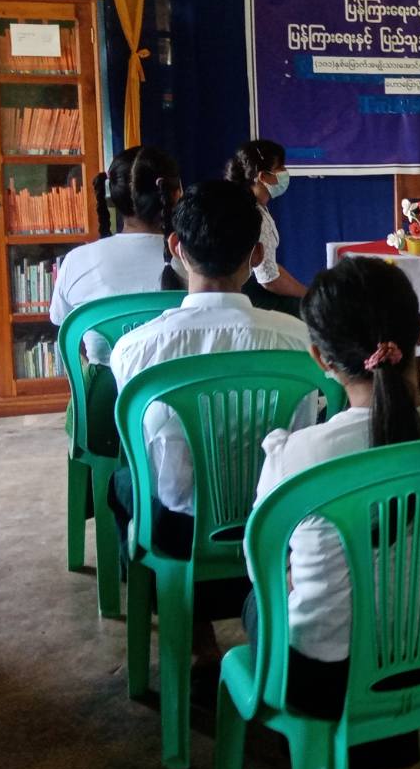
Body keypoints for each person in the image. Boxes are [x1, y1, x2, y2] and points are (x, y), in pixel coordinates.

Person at [246, 255, 420, 720]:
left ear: (320, 358)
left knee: (256, 604)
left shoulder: (295, 458)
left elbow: (264, 567)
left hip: (324, 678)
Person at [109, 180, 316, 666]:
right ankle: (267, 614)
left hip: (182, 530)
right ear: (257, 252)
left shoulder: (135, 349)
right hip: (281, 525)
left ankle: (194, 634)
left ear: (176, 248)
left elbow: (143, 452)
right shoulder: (299, 339)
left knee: (123, 485)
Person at [49, 144, 183, 362]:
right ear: (176, 195)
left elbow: (68, 333)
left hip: (106, 395)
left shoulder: (76, 261)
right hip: (173, 392)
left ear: (112, 194)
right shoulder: (195, 262)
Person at [226, 139, 305, 315]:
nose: (286, 173)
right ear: (263, 177)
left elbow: (270, 266)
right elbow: (269, 280)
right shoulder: (254, 215)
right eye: (281, 168)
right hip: (251, 299)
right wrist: (308, 295)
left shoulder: (251, 207)